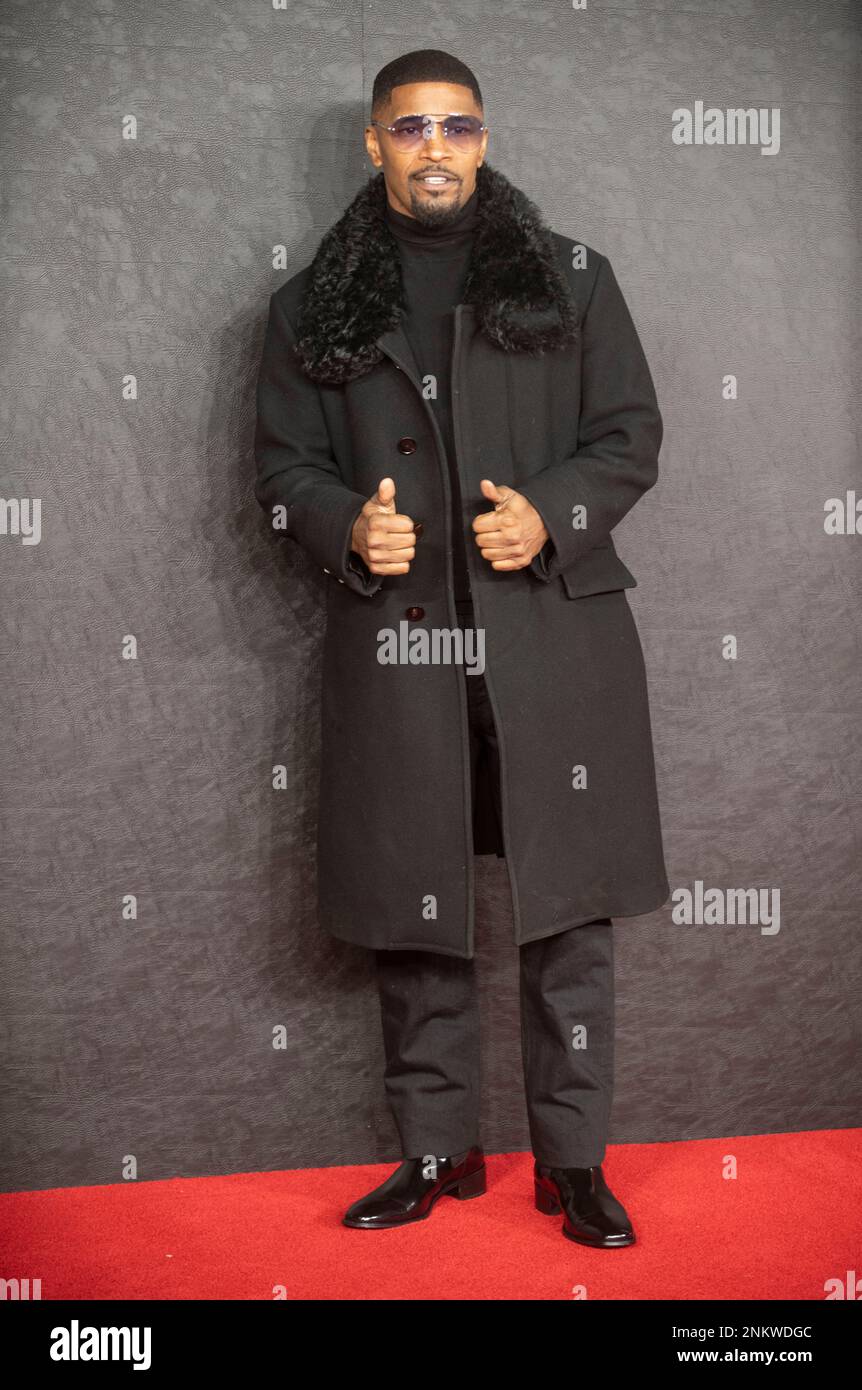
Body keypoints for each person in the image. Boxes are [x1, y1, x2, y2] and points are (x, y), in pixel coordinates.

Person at [253, 48, 670, 1246]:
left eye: (457, 124)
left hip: (553, 636)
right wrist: (343, 525)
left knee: (567, 911)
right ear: (373, 144)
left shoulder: (574, 280)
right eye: (409, 126)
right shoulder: (306, 310)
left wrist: (554, 509)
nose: (434, 144)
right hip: (400, 649)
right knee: (415, 910)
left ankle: (574, 1166)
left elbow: (630, 435)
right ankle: (436, 1156)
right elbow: (281, 471)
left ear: (482, 141)